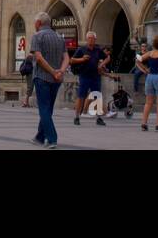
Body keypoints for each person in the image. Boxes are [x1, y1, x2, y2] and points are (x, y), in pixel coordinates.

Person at [29, 11, 68, 148]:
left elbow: (38, 58)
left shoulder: (37, 36)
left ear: (39, 23)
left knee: (44, 109)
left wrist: (52, 71)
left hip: (42, 77)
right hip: (56, 80)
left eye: (35, 23)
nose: (34, 25)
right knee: (48, 108)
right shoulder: (59, 37)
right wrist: (60, 71)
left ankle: (52, 139)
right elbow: (66, 58)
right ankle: (40, 137)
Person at [70, 31, 107, 126]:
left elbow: (108, 57)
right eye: (89, 38)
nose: (91, 40)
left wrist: (101, 65)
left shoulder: (98, 50)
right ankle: (77, 117)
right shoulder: (81, 49)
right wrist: (82, 59)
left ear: (95, 40)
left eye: (92, 38)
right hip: (84, 76)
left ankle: (99, 118)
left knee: (97, 96)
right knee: (81, 96)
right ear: (87, 39)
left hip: (95, 76)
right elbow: (72, 60)